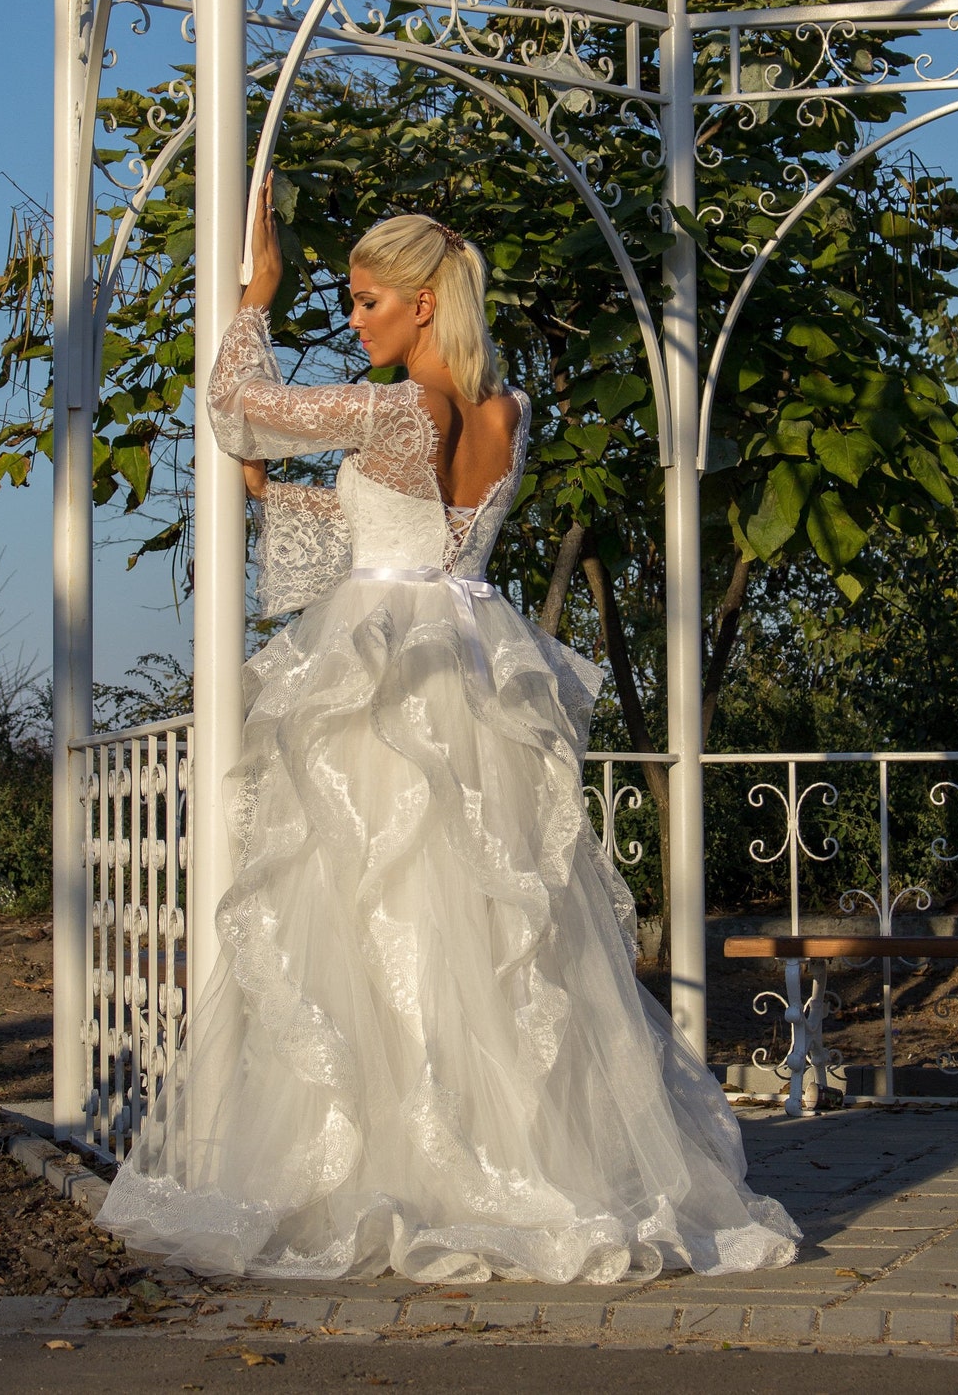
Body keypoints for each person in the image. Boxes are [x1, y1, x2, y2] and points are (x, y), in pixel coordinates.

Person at [97, 175, 800, 1283]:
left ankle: (404, 1166)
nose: (357, 318)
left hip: (392, 678)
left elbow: (236, 402)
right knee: (486, 928)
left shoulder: (393, 409)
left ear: (426, 303)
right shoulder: (510, 413)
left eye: (369, 299)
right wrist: (289, 498)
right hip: (472, 666)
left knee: (374, 908)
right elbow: (416, 534)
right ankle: (509, 1159)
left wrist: (258, 295)